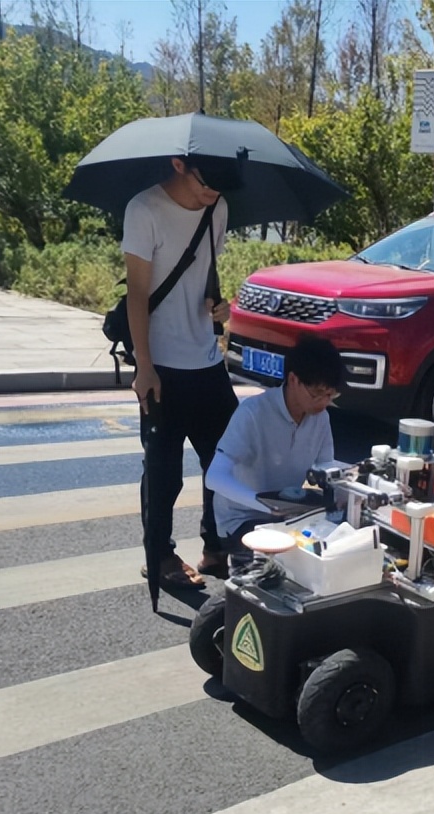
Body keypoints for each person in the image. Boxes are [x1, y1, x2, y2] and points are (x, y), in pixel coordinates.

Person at [124, 154, 240, 591]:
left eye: (220, 187)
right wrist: (145, 367)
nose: (212, 193)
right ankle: (160, 554)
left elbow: (205, 271)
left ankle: (216, 547)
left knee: (226, 462)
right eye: (204, 183)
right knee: (163, 471)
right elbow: (138, 293)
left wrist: (219, 306)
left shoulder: (218, 207)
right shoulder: (144, 210)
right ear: (179, 164)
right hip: (163, 365)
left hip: (207, 359)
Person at [206, 336, 346, 573]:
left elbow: (325, 467)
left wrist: (350, 481)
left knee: (338, 546)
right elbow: (215, 477)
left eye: (330, 396)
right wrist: (264, 504)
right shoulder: (253, 412)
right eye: (317, 394)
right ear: (293, 379)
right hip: (241, 519)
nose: (323, 403)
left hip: (285, 516)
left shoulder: (321, 417)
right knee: (285, 569)